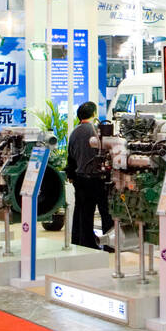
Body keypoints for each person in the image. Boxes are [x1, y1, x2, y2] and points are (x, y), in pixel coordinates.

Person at [66, 101, 113, 251]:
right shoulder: (96, 131)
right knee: (106, 212)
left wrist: (72, 175)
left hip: (80, 179)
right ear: (94, 114)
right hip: (98, 179)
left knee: (84, 212)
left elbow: (71, 157)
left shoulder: (74, 132)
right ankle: (110, 244)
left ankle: (84, 242)